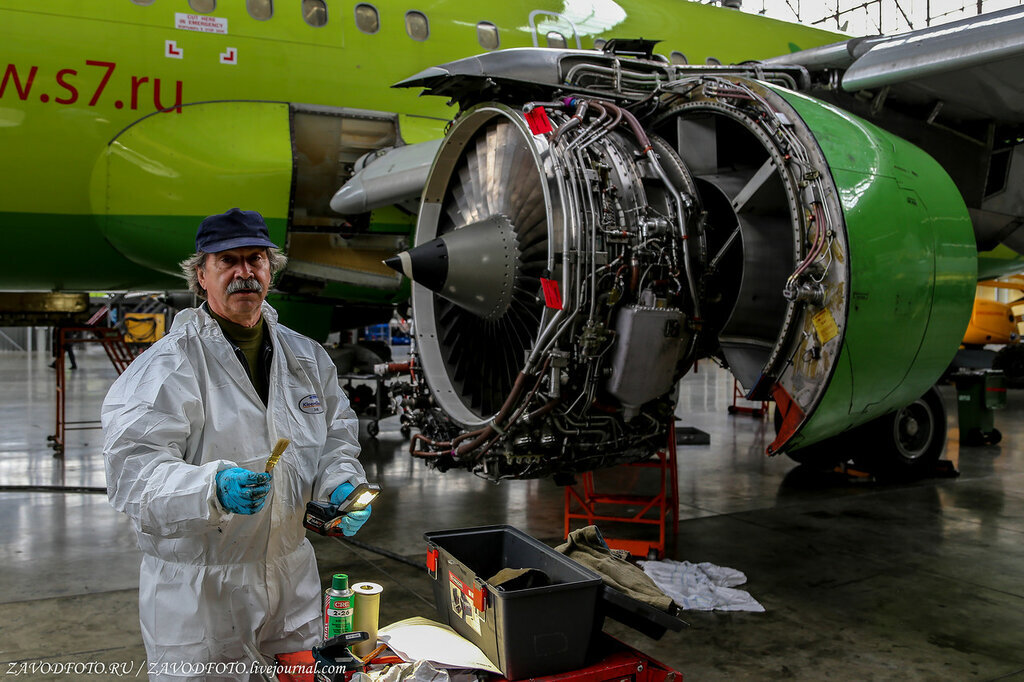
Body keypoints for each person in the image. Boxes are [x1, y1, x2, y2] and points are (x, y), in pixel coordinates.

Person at [102, 208, 371, 681]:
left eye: (256, 259)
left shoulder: (307, 358)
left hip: (291, 582)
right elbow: (133, 474)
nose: (244, 272)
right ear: (201, 275)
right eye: (228, 261)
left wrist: (341, 485)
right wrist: (210, 487)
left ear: (271, 270)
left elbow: (335, 438)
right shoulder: (166, 367)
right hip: (202, 593)